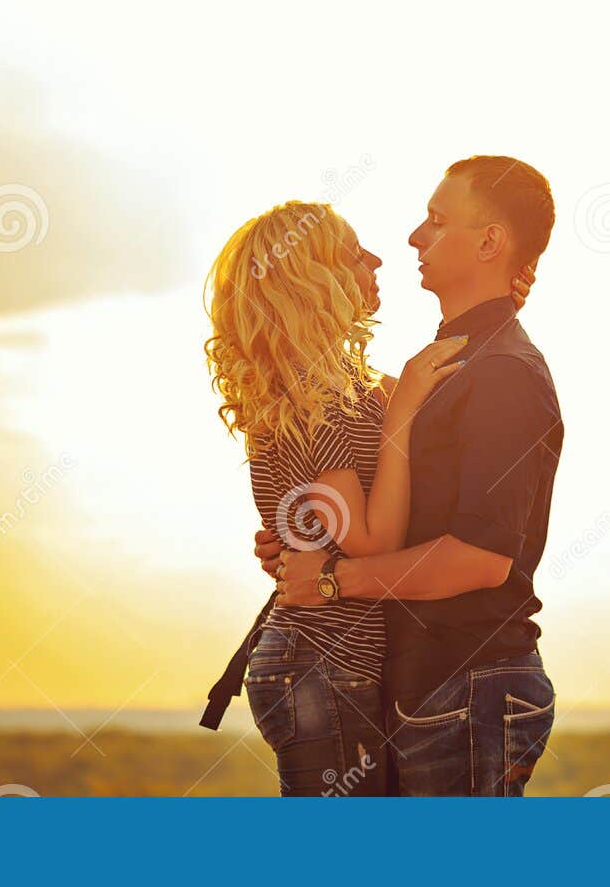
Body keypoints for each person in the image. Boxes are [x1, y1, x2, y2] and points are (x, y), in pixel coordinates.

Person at [200, 198, 533, 796]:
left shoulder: (336, 388)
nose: (378, 258)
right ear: (315, 282)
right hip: (321, 666)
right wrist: (401, 412)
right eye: (356, 254)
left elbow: (437, 395)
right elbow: (374, 541)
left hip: (330, 666)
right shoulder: (322, 405)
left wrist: (500, 305)